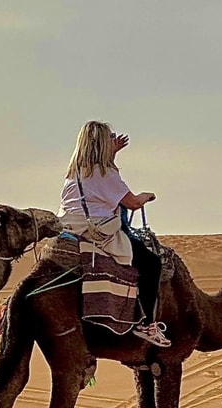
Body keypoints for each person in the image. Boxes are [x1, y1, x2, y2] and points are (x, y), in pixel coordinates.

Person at [59, 120, 170, 347]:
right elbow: (131, 203)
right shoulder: (104, 173)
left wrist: (112, 155)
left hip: (71, 230)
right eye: (109, 138)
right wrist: (147, 196)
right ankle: (146, 325)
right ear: (100, 143)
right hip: (100, 233)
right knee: (151, 264)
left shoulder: (74, 174)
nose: (113, 141)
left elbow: (100, 191)